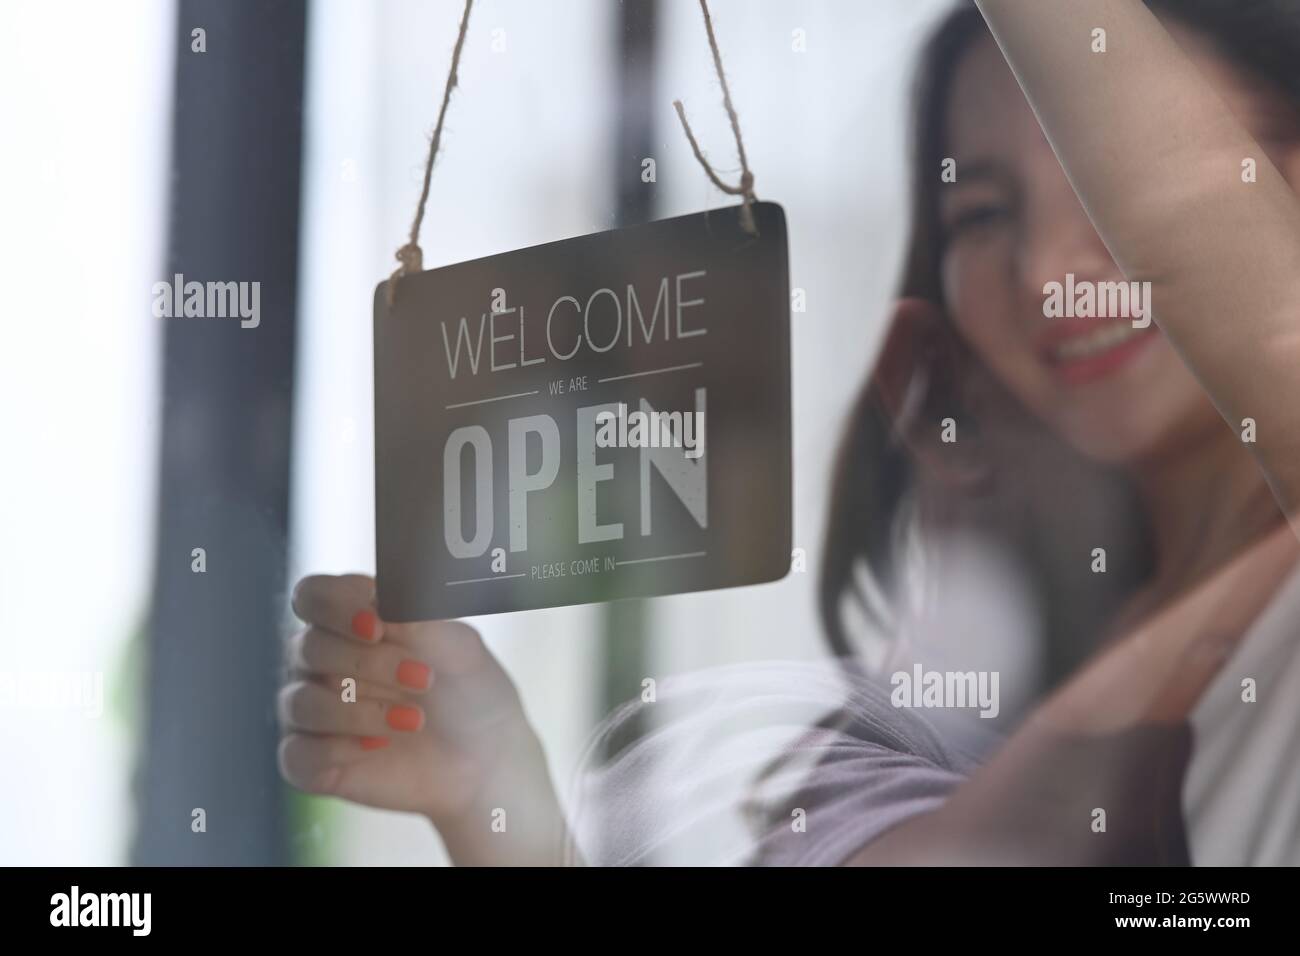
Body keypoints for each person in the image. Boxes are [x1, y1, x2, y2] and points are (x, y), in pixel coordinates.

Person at [277, 0, 1300, 865]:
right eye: (982, 215)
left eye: (1110, 181)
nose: (1047, 269)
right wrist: (498, 803)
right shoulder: (925, 713)